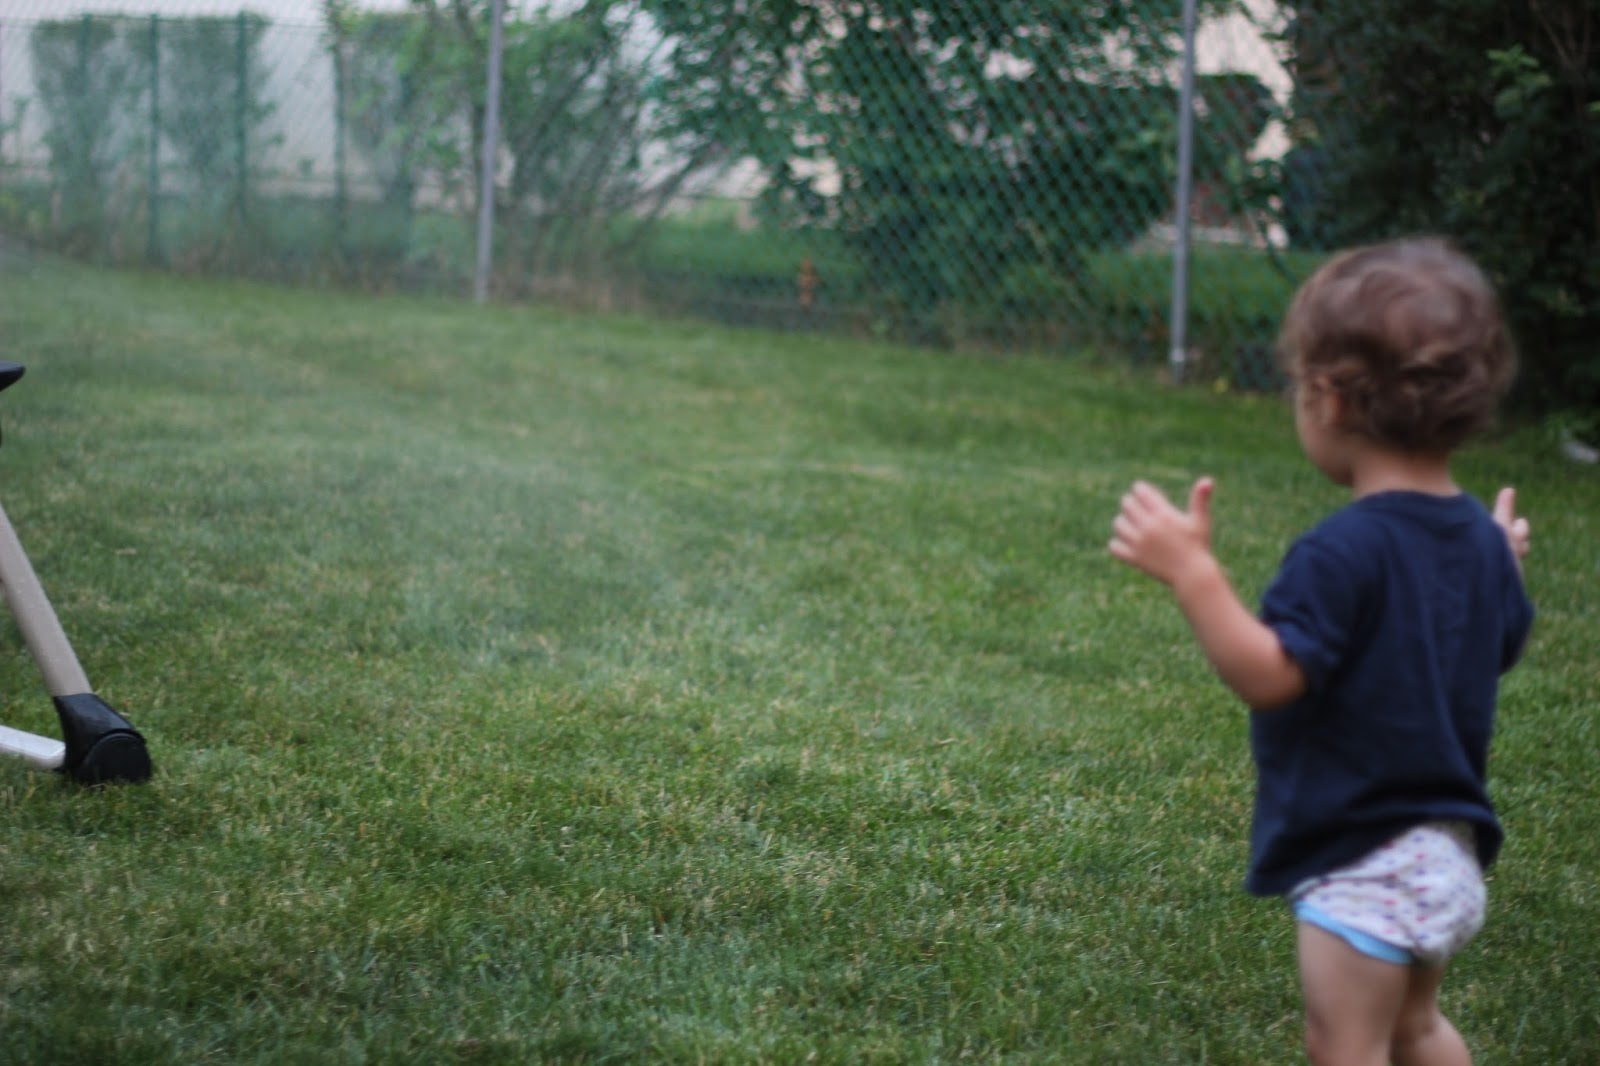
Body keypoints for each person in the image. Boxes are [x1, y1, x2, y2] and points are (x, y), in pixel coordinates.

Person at [1108, 237, 1534, 1066]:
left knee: (1348, 1045)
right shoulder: (1477, 539)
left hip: (1363, 853)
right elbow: (1501, 643)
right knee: (1415, 1030)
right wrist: (1501, 566)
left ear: (1330, 401)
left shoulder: (1342, 550)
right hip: (1446, 849)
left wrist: (1195, 574)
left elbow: (1271, 676)